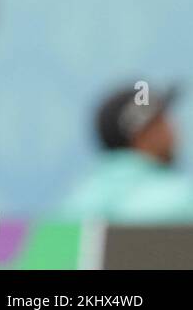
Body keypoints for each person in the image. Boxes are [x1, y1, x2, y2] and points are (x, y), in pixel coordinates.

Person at [61, 84, 193, 223]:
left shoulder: (71, 208)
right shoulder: (183, 200)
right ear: (145, 134)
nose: (174, 129)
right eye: (163, 121)